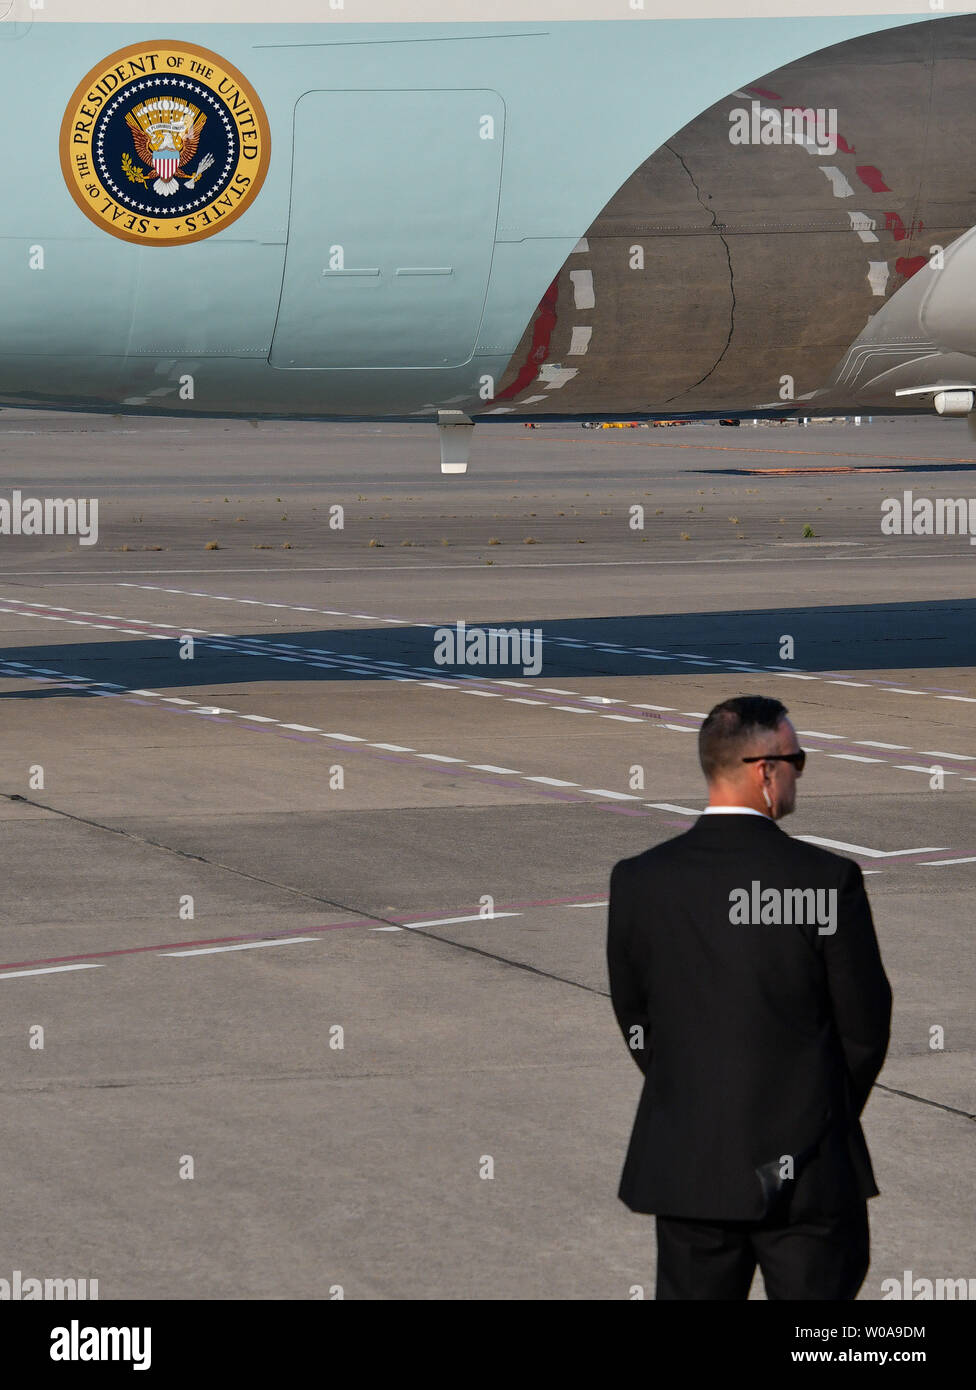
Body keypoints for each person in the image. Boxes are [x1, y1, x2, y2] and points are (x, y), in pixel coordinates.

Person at [607, 695, 892, 1299]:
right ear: (765, 770)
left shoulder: (640, 880)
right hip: (810, 1174)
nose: (799, 774)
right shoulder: (825, 880)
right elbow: (865, 1029)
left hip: (690, 1170)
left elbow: (636, 1020)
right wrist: (817, 1112)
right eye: (798, 760)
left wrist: (696, 1101)